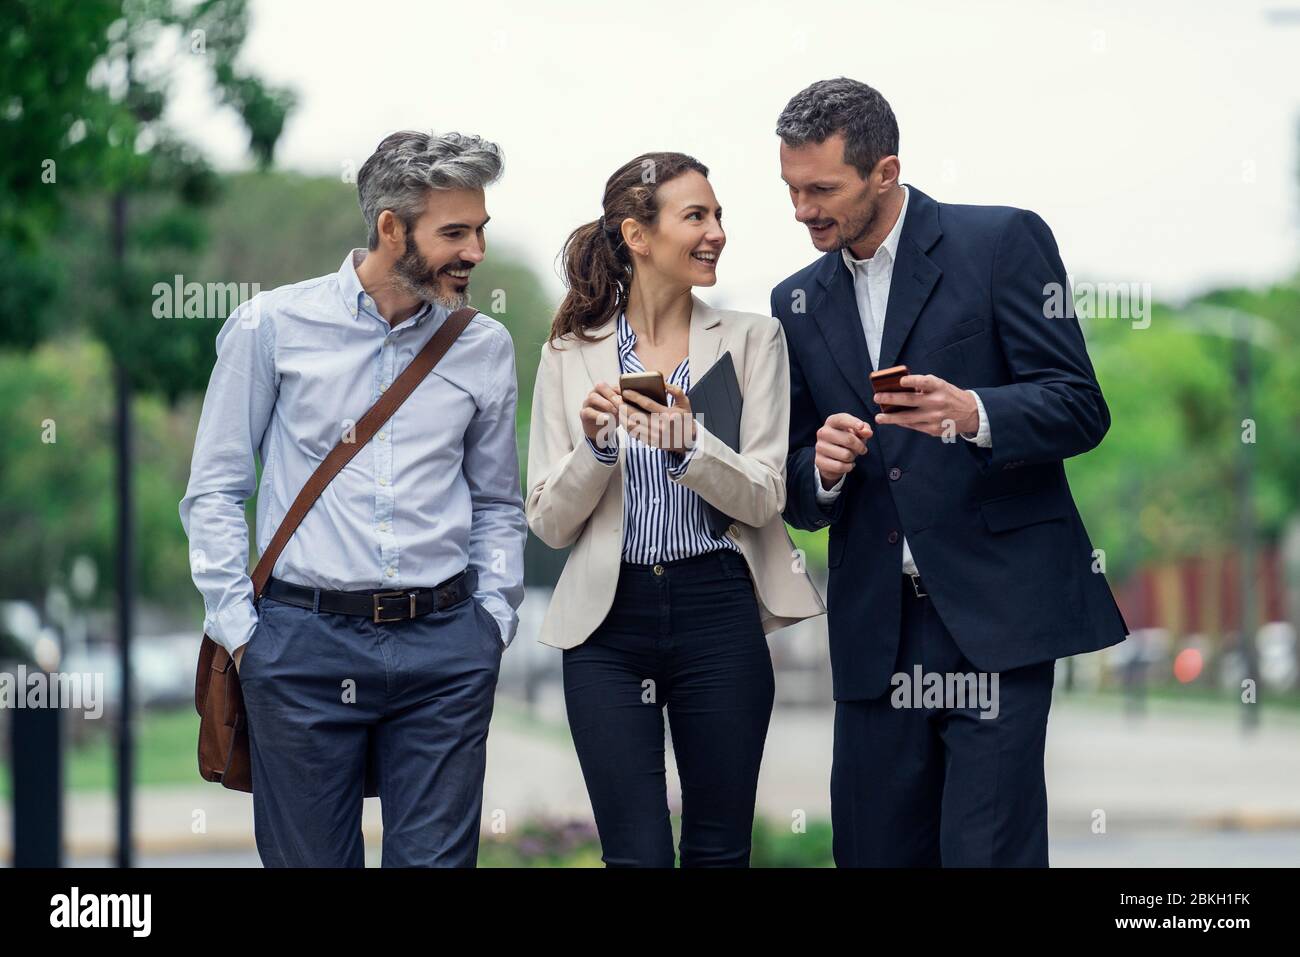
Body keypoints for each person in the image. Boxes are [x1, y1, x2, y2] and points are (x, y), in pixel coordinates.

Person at [770, 78, 1128, 867]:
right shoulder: (792, 300)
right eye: (792, 189)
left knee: (987, 854)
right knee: (872, 853)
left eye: (822, 189)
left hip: (995, 617)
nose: (803, 210)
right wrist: (819, 468)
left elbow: (1079, 406)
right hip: (874, 631)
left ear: (885, 172)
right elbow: (795, 479)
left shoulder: (1000, 243)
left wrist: (974, 412)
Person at [179, 130, 527, 867]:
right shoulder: (270, 326)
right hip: (301, 645)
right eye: (454, 233)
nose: (475, 252)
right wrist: (245, 634)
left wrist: (491, 619)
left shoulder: (485, 346)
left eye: (480, 230)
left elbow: (498, 502)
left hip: (445, 649)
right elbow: (215, 489)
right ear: (391, 227)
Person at [526, 152, 825, 867]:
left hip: (718, 613)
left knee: (720, 852)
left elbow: (765, 494)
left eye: (718, 215)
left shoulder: (756, 340)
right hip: (605, 626)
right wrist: (596, 448)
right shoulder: (570, 352)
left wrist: (692, 446)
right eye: (697, 215)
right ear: (637, 233)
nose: (717, 231)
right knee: (636, 857)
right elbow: (548, 519)